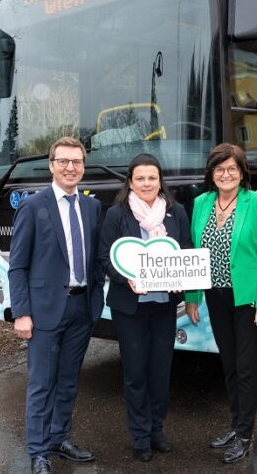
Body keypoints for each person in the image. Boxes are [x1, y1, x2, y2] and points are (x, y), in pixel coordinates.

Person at [9, 137, 104, 474]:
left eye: (76, 162)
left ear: (83, 167)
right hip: (45, 311)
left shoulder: (92, 207)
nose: (70, 167)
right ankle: (37, 451)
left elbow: (98, 259)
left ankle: (59, 438)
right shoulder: (33, 207)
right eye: (63, 161)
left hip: (82, 309)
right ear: (51, 166)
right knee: (41, 384)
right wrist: (21, 312)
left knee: (68, 381)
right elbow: (17, 265)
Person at [184, 143, 257, 464]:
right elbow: (194, 254)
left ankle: (246, 434)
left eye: (232, 169)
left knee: (247, 368)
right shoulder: (200, 203)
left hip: (248, 299)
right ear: (212, 173)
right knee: (229, 365)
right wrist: (193, 298)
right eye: (220, 169)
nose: (226, 174)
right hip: (215, 295)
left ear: (241, 172)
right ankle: (236, 425)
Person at [98, 154, 192, 462]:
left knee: (160, 371)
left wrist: (181, 278)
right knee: (135, 372)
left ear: (160, 181)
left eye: (152, 178)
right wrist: (127, 281)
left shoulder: (175, 212)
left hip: (164, 306)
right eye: (140, 178)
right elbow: (106, 258)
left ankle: (156, 431)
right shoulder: (116, 214)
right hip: (131, 309)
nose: (147, 183)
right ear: (130, 182)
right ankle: (139, 437)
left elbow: (186, 251)